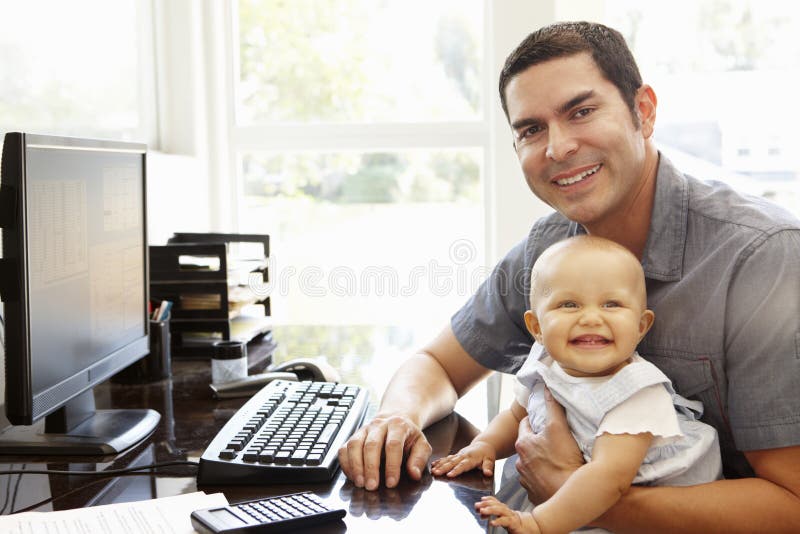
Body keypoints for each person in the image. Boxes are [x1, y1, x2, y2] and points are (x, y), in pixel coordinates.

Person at [339, 21, 800, 531]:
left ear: (643, 111)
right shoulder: (549, 245)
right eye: (531, 129)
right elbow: (438, 365)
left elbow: (791, 504)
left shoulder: (765, 258)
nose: (557, 148)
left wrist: (578, 494)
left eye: (581, 112)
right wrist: (395, 417)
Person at [431, 235, 722, 533]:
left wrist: (539, 523)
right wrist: (485, 445)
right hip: (569, 497)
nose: (591, 317)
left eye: (612, 304)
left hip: (632, 510)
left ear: (640, 327)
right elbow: (517, 415)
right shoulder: (543, 362)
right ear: (537, 328)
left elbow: (608, 479)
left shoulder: (637, 394)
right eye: (569, 304)